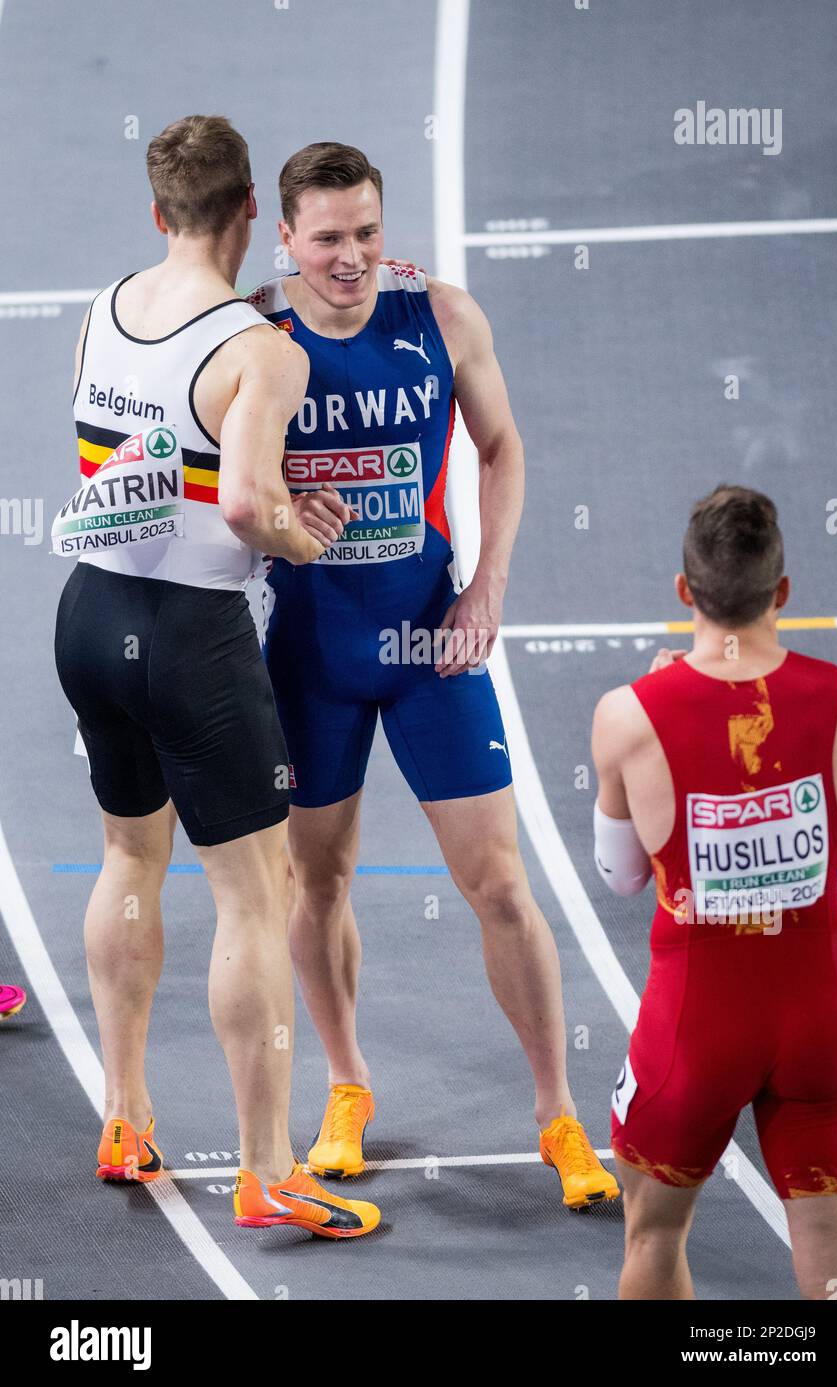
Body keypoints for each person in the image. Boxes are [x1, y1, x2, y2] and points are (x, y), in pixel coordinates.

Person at [247, 142, 618, 1208]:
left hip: (426, 644)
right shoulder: (253, 340)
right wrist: (275, 517)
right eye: (328, 238)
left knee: (498, 882)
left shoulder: (442, 318)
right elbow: (209, 486)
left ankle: (557, 1113)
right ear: (286, 239)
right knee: (312, 884)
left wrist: (489, 584)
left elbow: (500, 449)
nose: (353, 256)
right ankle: (346, 1085)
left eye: (367, 231)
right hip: (309, 658)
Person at [53, 115, 379, 1237]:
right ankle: (264, 1169)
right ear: (253, 209)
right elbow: (244, 502)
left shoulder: (104, 306)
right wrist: (297, 535)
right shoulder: (262, 352)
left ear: (156, 214)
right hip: (192, 637)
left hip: (91, 617)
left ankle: (125, 1113)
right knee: (255, 895)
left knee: (127, 856)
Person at [591, 484, 837, 1298]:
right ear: (783, 592)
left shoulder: (630, 716)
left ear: (685, 591)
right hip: (816, 1012)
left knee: (653, 1235)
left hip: (696, 1022)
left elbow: (621, 876)